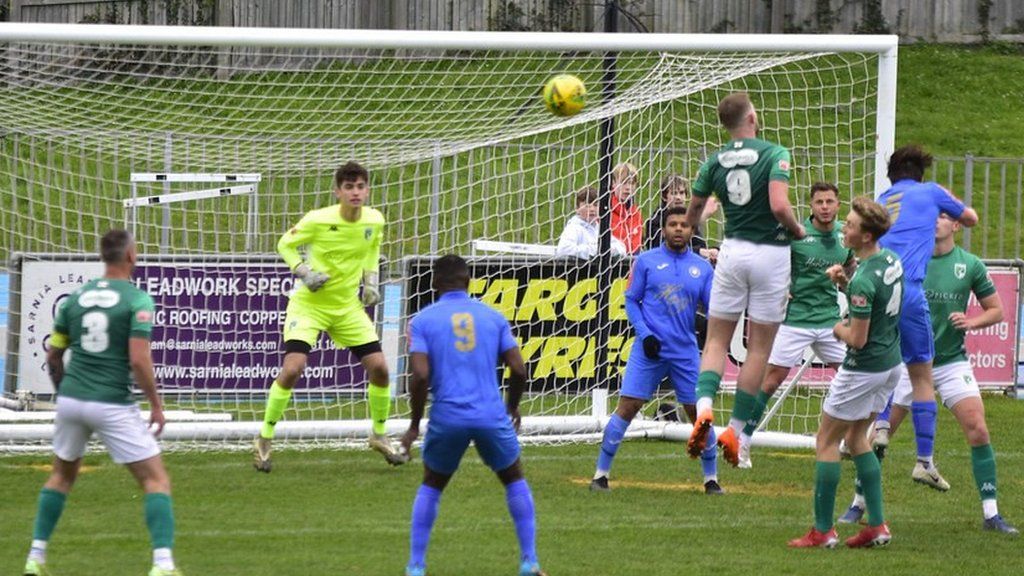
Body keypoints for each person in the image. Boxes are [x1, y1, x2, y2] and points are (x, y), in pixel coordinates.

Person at [837, 215, 1017, 534]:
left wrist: (972, 322)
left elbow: (997, 311)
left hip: (950, 363)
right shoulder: (906, 262)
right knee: (877, 438)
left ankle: (992, 514)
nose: (936, 221)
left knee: (978, 428)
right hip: (906, 364)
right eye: (932, 216)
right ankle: (857, 504)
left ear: (956, 226)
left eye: (944, 217)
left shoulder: (970, 265)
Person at [23, 230, 181, 576]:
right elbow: (139, 361)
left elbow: (53, 356)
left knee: (61, 478)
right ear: (131, 256)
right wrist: (156, 405)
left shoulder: (75, 299)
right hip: (111, 402)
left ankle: (36, 556)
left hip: (72, 400)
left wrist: (66, 393)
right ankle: (163, 565)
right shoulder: (137, 300)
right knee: (155, 481)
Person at [254, 161, 406, 472]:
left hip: (347, 307)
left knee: (380, 369)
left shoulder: (374, 220)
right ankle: (264, 438)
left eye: (360, 186)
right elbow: (285, 243)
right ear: (337, 191)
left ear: (367, 190)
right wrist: (303, 271)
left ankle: (379, 434)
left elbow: (371, 249)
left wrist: (372, 283)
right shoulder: (318, 220)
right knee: (293, 368)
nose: (355, 192)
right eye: (348, 187)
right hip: (309, 306)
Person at [400, 255, 545, 576]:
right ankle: (529, 561)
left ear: (435, 284)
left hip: (448, 416)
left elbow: (420, 377)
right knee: (513, 478)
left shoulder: (422, 321)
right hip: (490, 415)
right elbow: (519, 369)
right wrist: (512, 406)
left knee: (432, 484)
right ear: (468, 282)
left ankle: (415, 567)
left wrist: (413, 427)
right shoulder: (493, 317)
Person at [682, 92, 806, 466]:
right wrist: (798, 231)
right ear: (752, 116)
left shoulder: (713, 160)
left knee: (717, 340)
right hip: (771, 253)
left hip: (732, 250)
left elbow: (692, 214)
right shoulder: (774, 153)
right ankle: (735, 430)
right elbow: (779, 206)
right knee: (758, 348)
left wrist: (695, 222)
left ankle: (704, 408)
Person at [788, 196, 902, 549]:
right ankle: (877, 525)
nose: (844, 228)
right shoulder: (889, 259)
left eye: (850, 225)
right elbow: (872, 297)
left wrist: (832, 325)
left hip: (863, 369)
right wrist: (845, 283)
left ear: (865, 236)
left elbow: (857, 337)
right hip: (889, 366)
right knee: (856, 439)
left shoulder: (865, 279)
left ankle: (822, 531)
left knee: (826, 441)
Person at [589, 207, 719, 494]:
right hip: (648, 350)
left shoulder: (703, 268)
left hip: (685, 352)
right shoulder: (646, 261)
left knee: (699, 412)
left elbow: (714, 309)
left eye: (684, 225)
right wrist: (645, 334)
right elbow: (631, 301)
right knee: (628, 407)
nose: (678, 229)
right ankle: (600, 475)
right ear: (663, 229)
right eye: (672, 224)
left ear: (691, 230)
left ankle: (711, 480)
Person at [874, 145, 978, 488]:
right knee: (922, 376)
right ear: (921, 174)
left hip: (877, 289)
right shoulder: (930, 192)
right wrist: (949, 202)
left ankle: (881, 429)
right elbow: (970, 218)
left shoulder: (884, 197)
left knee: (886, 364)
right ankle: (923, 461)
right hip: (908, 291)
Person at [738, 182, 855, 468]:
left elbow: (850, 266)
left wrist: (846, 280)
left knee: (854, 376)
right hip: (796, 319)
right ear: (811, 206)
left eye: (830, 201)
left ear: (838, 205)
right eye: (819, 202)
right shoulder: (796, 234)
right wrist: (779, 286)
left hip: (829, 320)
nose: (825, 207)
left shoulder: (845, 236)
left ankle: (852, 440)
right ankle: (743, 440)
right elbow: (770, 261)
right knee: (772, 379)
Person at [644, 175, 719, 259]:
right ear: (664, 197)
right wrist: (699, 251)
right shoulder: (655, 221)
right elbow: (668, 250)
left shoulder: (688, 217)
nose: (678, 197)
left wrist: (712, 251)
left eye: (682, 193)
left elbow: (700, 244)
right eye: (674, 193)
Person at [556, 185, 627, 258]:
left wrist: (610, 250)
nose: (592, 209)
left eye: (596, 205)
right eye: (587, 205)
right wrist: (596, 250)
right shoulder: (574, 228)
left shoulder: (599, 228)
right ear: (577, 208)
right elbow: (563, 250)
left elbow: (621, 248)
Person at [610, 162, 644, 254]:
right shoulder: (604, 212)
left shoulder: (636, 214)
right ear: (613, 183)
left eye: (632, 183)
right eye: (624, 183)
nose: (628, 188)